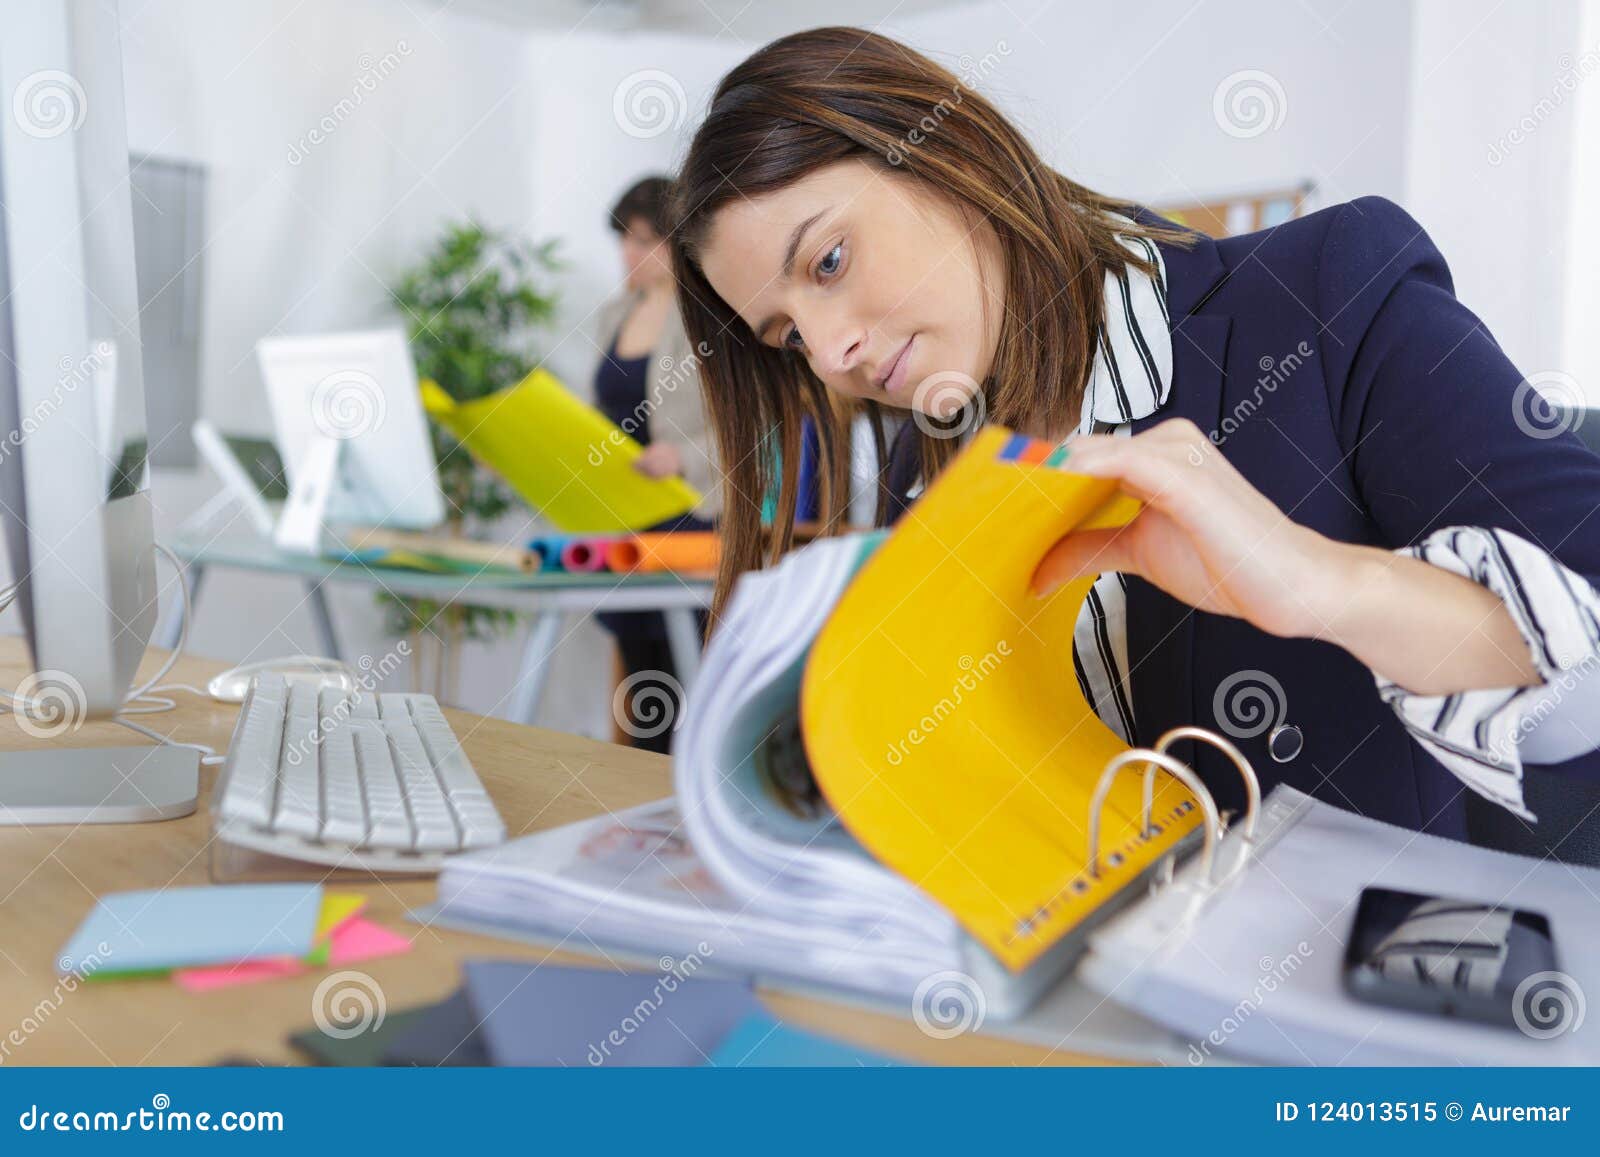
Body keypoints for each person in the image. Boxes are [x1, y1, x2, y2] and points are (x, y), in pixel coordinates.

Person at [665, 27, 1600, 838]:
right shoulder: (932, 465)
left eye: (828, 260)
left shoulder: (1324, 300)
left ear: (949, 154)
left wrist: (1315, 581)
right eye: (786, 336)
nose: (832, 354)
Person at [590, 176, 719, 752]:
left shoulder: (709, 317)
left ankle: (688, 800)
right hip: (624, 516)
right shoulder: (614, 314)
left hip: (691, 515)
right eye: (623, 240)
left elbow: (755, 425)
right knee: (640, 675)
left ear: (679, 241)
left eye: (644, 240)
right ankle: (638, 803)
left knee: (687, 668)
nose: (629, 254)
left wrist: (683, 456)